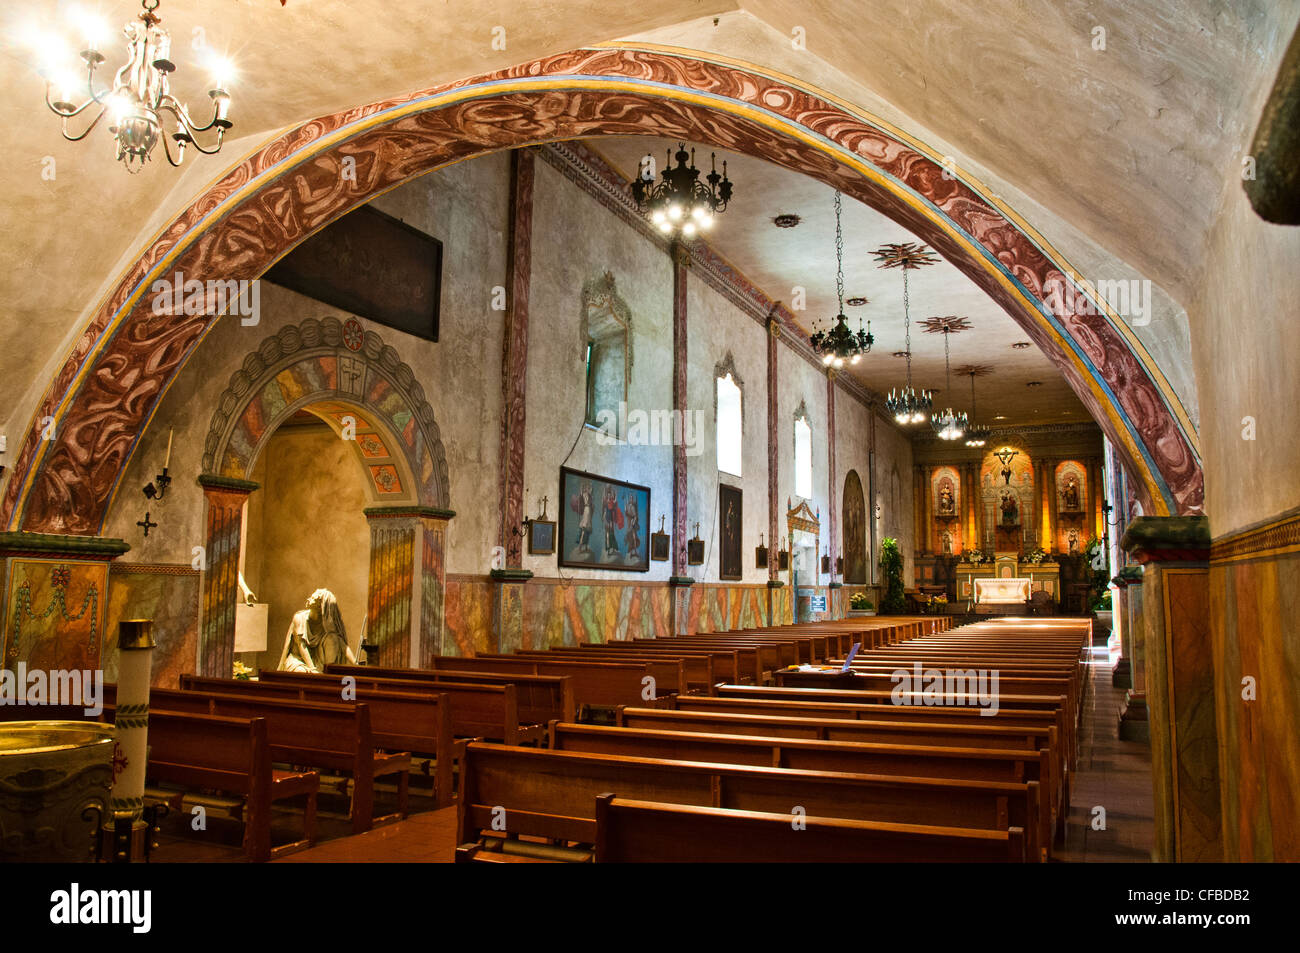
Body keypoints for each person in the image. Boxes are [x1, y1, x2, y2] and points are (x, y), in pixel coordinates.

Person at [278, 588, 355, 673]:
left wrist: (355, 663)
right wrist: (312, 669)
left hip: (316, 660)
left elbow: (342, 644)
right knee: (301, 672)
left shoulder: (324, 624)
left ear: (320, 606)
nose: (308, 599)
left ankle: (330, 672)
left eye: (313, 599)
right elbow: (302, 646)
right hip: (297, 660)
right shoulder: (299, 618)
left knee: (332, 638)